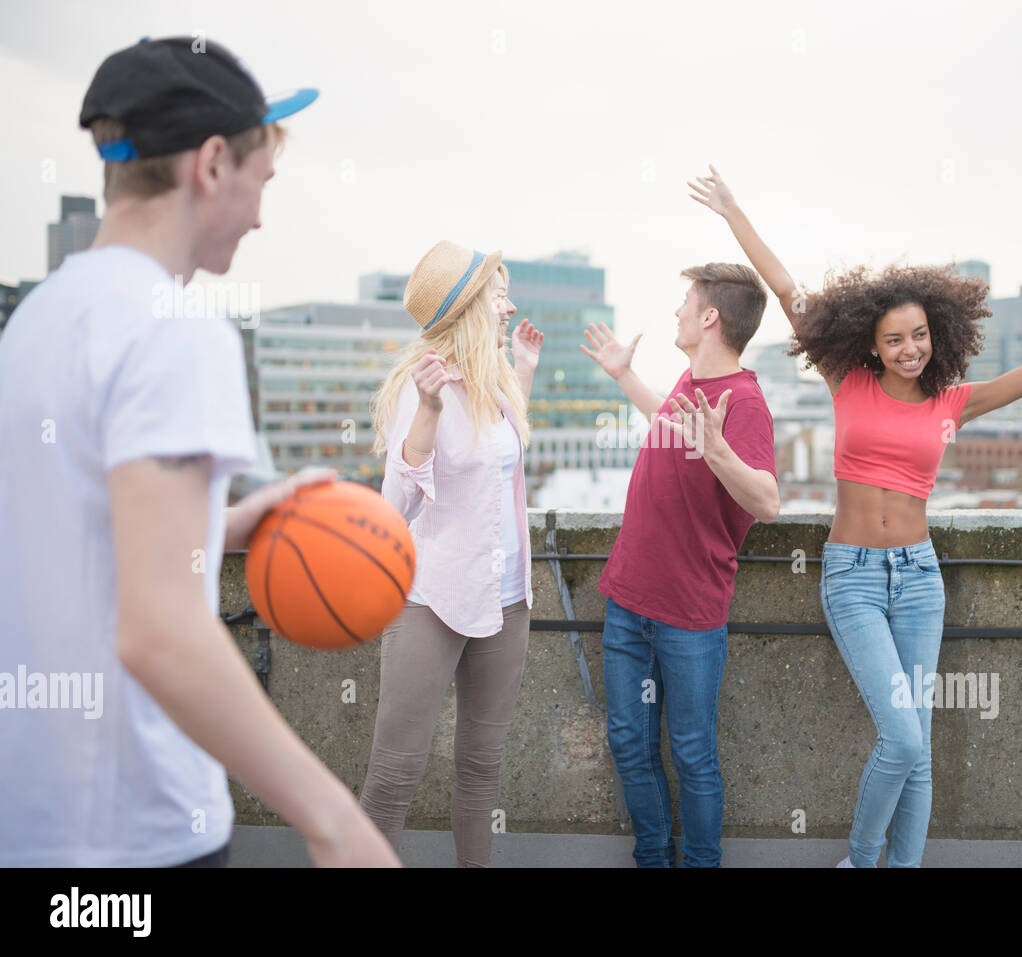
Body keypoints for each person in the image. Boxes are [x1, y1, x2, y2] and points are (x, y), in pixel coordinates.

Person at [691, 163, 1022, 868]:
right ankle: (862, 861)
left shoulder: (953, 403)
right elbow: (785, 287)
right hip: (855, 578)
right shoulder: (849, 380)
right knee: (899, 739)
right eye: (896, 338)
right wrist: (732, 211)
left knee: (918, 745)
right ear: (872, 342)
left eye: (921, 335)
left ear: (938, 335)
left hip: (921, 578)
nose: (911, 348)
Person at [0, 37, 398, 867]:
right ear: (212, 164)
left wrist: (216, 524)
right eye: (263, 183)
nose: (260, 215)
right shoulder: (176, 331)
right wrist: (336, 823)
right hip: (137, 828)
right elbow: (161, 633)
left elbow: (60, 538)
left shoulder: (34, 322)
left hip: (33, 819)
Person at [581, 263, 780, 867]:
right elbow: (670, 431)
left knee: (692, 752)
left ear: (711, 317)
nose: (677, 313)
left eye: (686, 303)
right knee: (628, 745)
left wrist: (719, 451)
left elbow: (767, 502)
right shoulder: (690, 383)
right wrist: (625, 377)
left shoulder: (742, 401)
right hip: (629, 601)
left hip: (689, 615)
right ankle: (651, 858)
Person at [359, 241, 543, 867]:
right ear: (467, 308)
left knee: (481, 769)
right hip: (431, 599)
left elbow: (496, 466)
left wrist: (523, 371)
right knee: (393, 775)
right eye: (498, 294)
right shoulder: (424, 389)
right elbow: (394, 512)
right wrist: (431, 412)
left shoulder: (495, 383)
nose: (509, 303)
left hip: (509, 597)